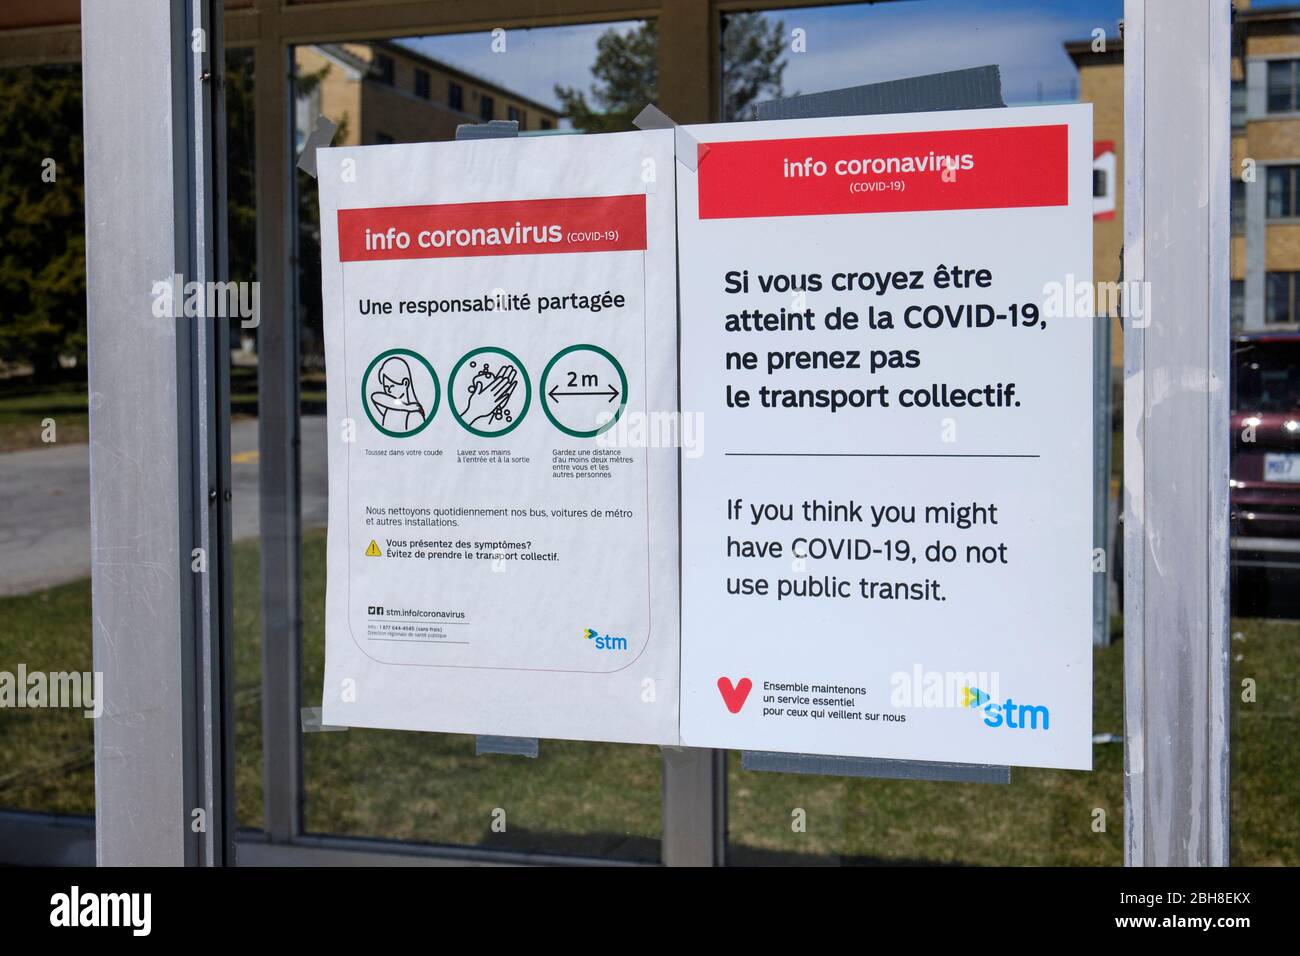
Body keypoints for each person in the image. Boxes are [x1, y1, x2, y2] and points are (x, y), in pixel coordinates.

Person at [370, 355, 426, 432]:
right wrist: (406, 407)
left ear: (405, 383)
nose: (388, 390)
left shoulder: (414, 412)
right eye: (386, 386)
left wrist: (408, 408)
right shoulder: (390, 406)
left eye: (392, 386)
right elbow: (375, 396)